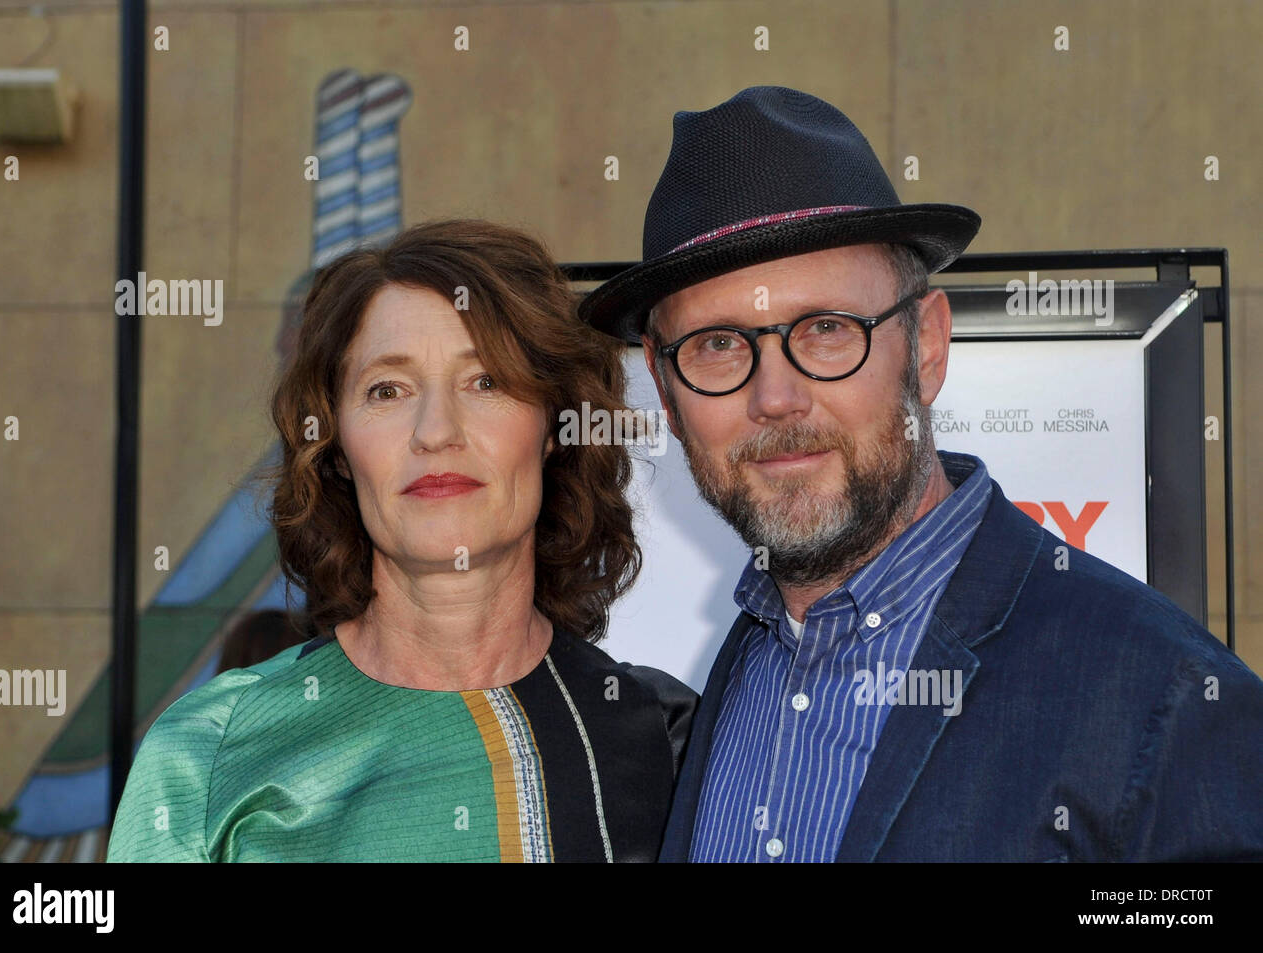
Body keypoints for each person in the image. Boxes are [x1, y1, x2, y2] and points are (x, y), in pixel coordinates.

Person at [578, 86, 1263, 862]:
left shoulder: (1163, 699)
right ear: (666, 399)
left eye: (828, 329)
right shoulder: (740, 673)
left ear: (928, 345)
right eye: (718, 346)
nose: (774, 397)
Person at [107, 219, 696, 862]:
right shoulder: (205, 754)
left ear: (554, 426)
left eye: (486, 382)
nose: (436, 430)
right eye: (387, 390)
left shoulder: (667, 739)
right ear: (334, 447)